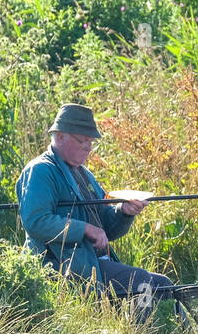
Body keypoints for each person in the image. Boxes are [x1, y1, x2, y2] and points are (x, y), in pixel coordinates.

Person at [15, 103, 174, 314]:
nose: (88, 147)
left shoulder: (84, 174)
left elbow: (106, 227)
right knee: (141, 283)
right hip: (63, 266)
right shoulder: (40, 171)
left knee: (164, 285)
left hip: (95, 263)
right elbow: (36, 222)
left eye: (91, 141)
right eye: (83, 140)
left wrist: (124, 212)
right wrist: (85, 229)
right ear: (60, 136)